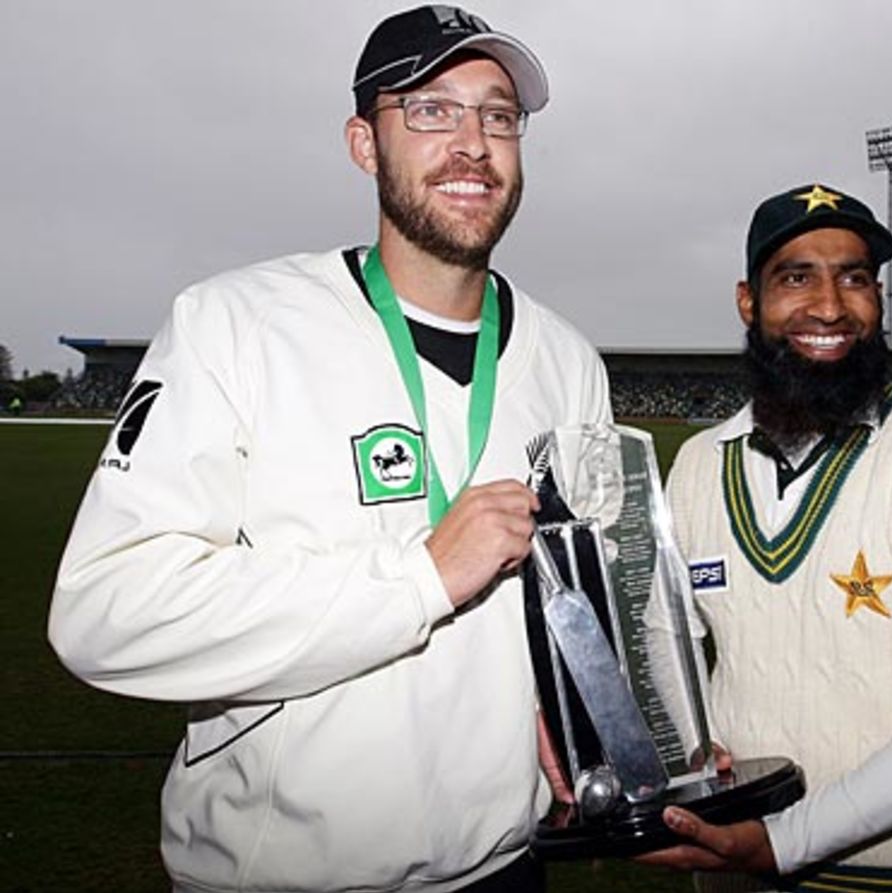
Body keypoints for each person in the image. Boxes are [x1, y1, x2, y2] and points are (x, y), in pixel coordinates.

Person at [47, 7, 609, 893]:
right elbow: (105, 610)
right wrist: (419, 577)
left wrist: (577, 711)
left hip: (506, 869)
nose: (472, 143)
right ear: (363, 142)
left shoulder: (568, 359)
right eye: (431, 109)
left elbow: (582, 592)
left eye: (497, 116)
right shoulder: (234, 324)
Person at [641, 184, 892, 891]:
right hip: (732, 869)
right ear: (747, 300)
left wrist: (783, 840)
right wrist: (683, 753)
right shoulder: (699, 465)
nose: (829, 306)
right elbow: (659, 643)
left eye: (854, 277)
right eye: (796, 276)